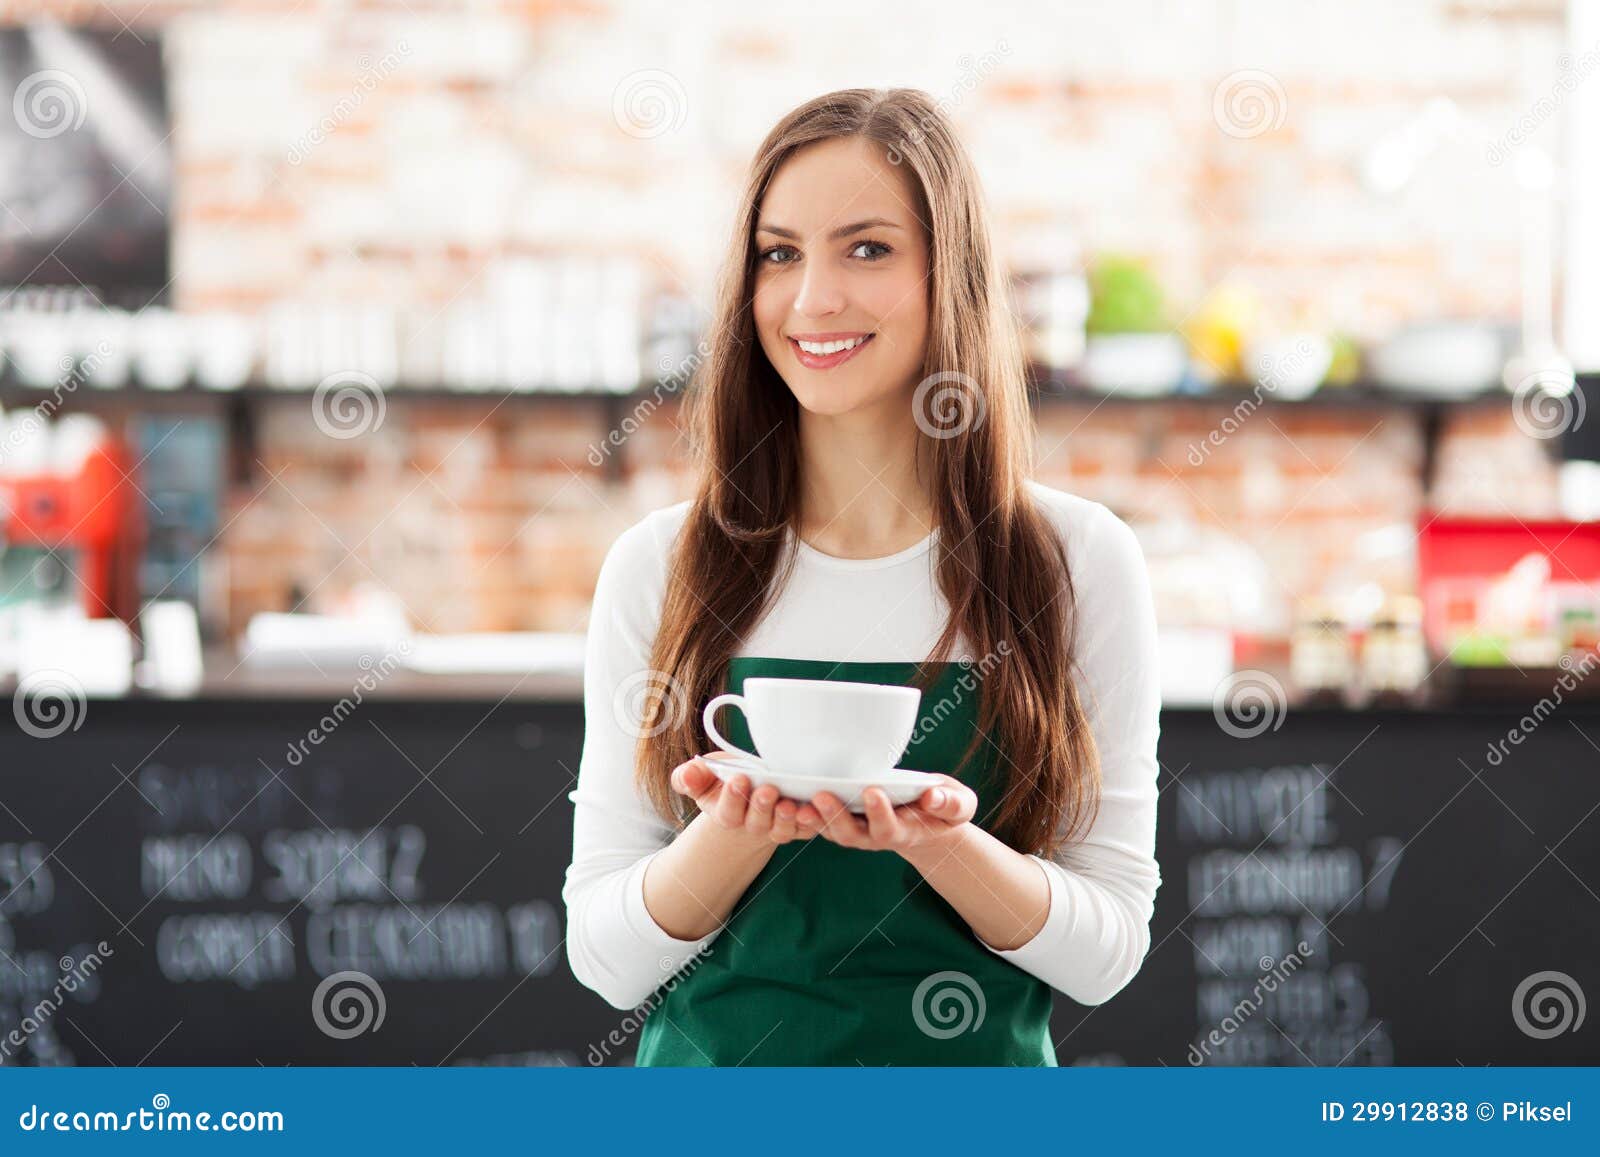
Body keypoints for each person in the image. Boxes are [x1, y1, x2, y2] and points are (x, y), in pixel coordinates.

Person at [562, 87, 1161, 1066]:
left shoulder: (1074, 560)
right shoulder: (661, 565)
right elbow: (604, 959)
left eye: (867, 248)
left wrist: (937, 841)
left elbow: (1107, 952)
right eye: (779, 253)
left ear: (951, 276)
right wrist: (737, 831)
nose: (812, 299)